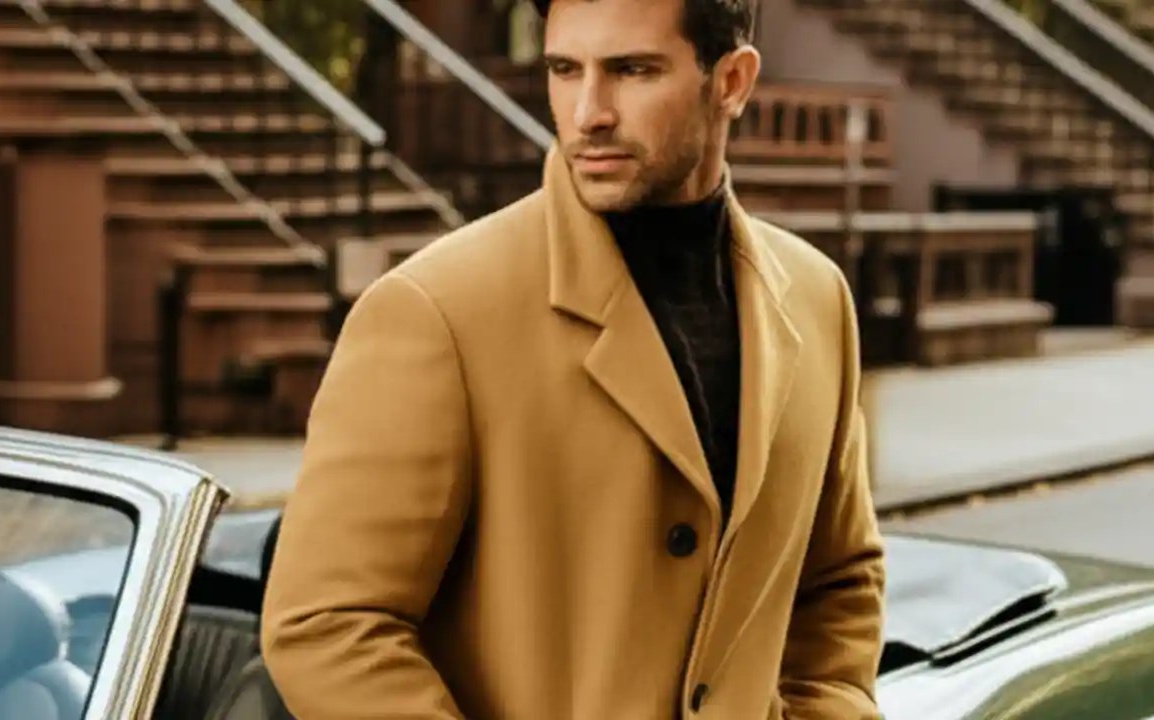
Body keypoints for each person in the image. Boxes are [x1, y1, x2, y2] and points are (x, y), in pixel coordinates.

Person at [260, 0, 886, 717]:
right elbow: (324, 624)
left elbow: (838, 580)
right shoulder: (435, 311)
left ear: (733, 82)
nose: (588, 112)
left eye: (632, 71)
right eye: (564, 69)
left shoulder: (815, 297)